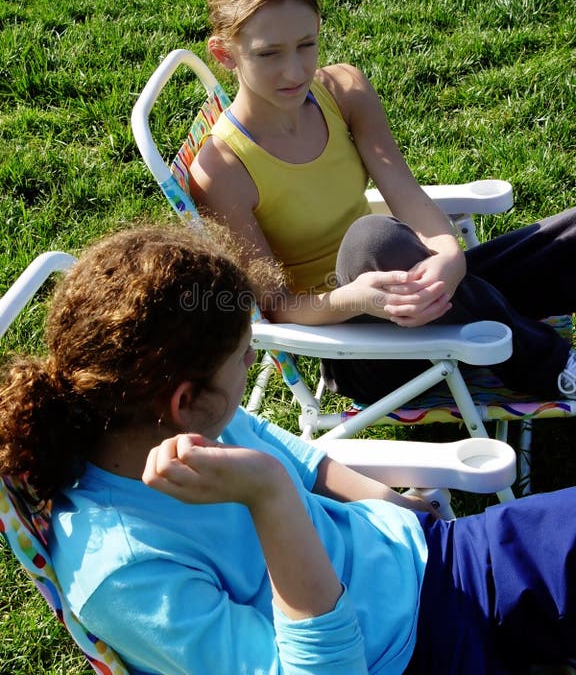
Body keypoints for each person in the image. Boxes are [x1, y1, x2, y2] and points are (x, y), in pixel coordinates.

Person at [1, 222, 575, 675]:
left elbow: (305, 460)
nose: (254, 362)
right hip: (407, 657)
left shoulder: (181, 423)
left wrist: (397, 507)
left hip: (437, 559)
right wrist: (270, 498)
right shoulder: (124, 571)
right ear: (186, 400)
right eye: (245, 352)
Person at [190, 0, 576, 406]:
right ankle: (555, 367)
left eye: (306, 45)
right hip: (363, 351)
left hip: (421, 297)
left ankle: (481, 306)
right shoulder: (221, 169)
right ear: (224, 54)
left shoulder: (341, 91)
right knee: (374, 239)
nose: (295, 71)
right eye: (269, 54)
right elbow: (275, 308)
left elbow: (405, 194)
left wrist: (450, 258)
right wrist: (355, 299)